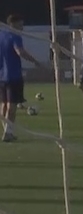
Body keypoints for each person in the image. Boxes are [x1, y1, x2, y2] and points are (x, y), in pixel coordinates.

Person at [0, 14, 46, 142]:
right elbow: (20, 51)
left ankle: (7, 130)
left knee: (3, 104)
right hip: (13, 75)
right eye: (20, 25)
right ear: (13, 24)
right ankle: (8, 132)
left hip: (1, 76)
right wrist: (35, 61)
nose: (22, 28)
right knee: (12, 105)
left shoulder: (1, 35)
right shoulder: (15, 36)